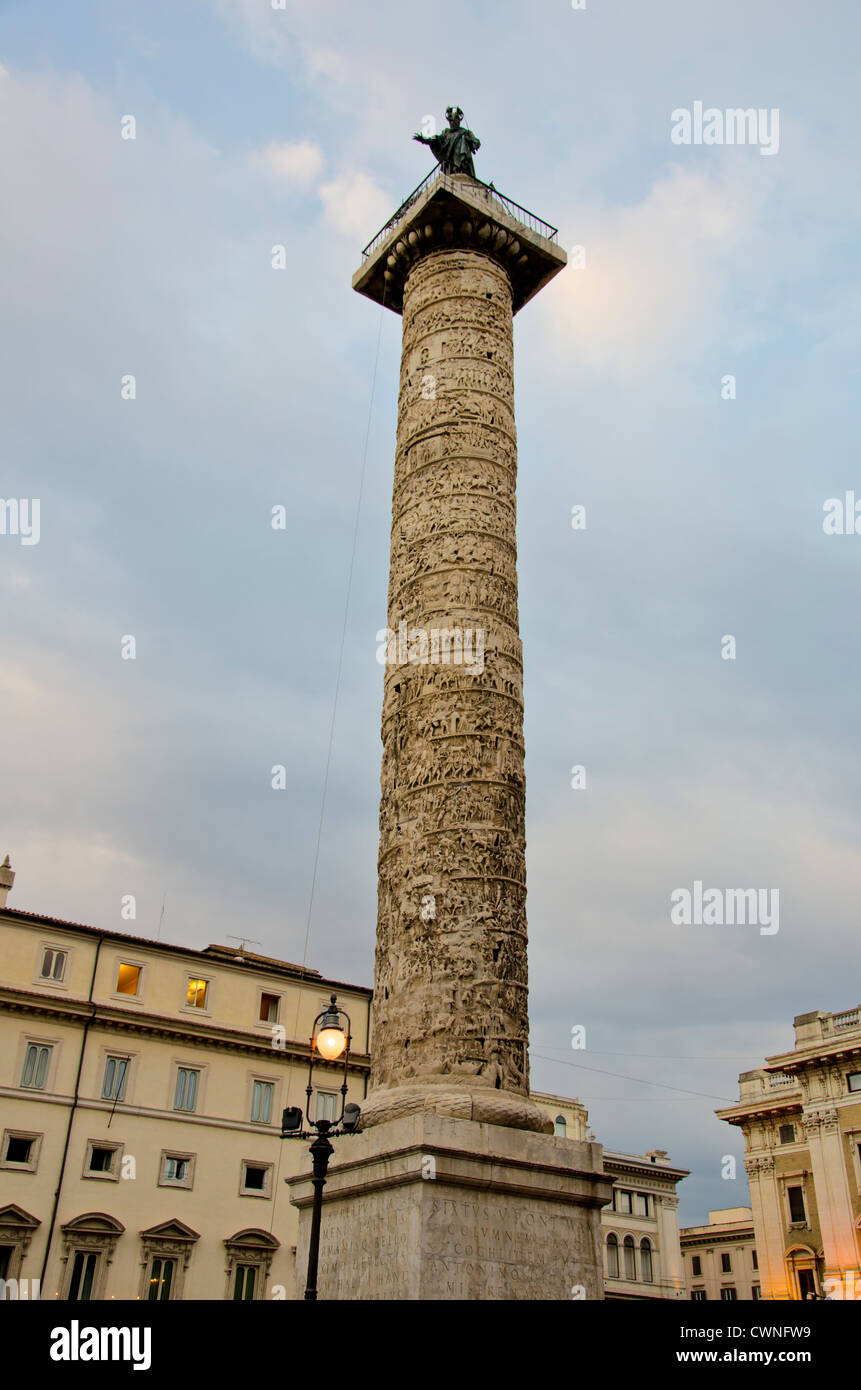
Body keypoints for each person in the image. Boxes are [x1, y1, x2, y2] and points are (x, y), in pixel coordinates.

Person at [413, 106, 480, 178]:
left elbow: (477, 142)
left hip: (463, 158)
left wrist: (470, 140)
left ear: (458, 121)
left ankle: (462, 171)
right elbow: (436, 139)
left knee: (463, 140)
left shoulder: (465, 132)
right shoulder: (446, 133)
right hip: (450, 160)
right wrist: (425, 140)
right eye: (451, 122)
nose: (453, 123)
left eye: (455, 121)